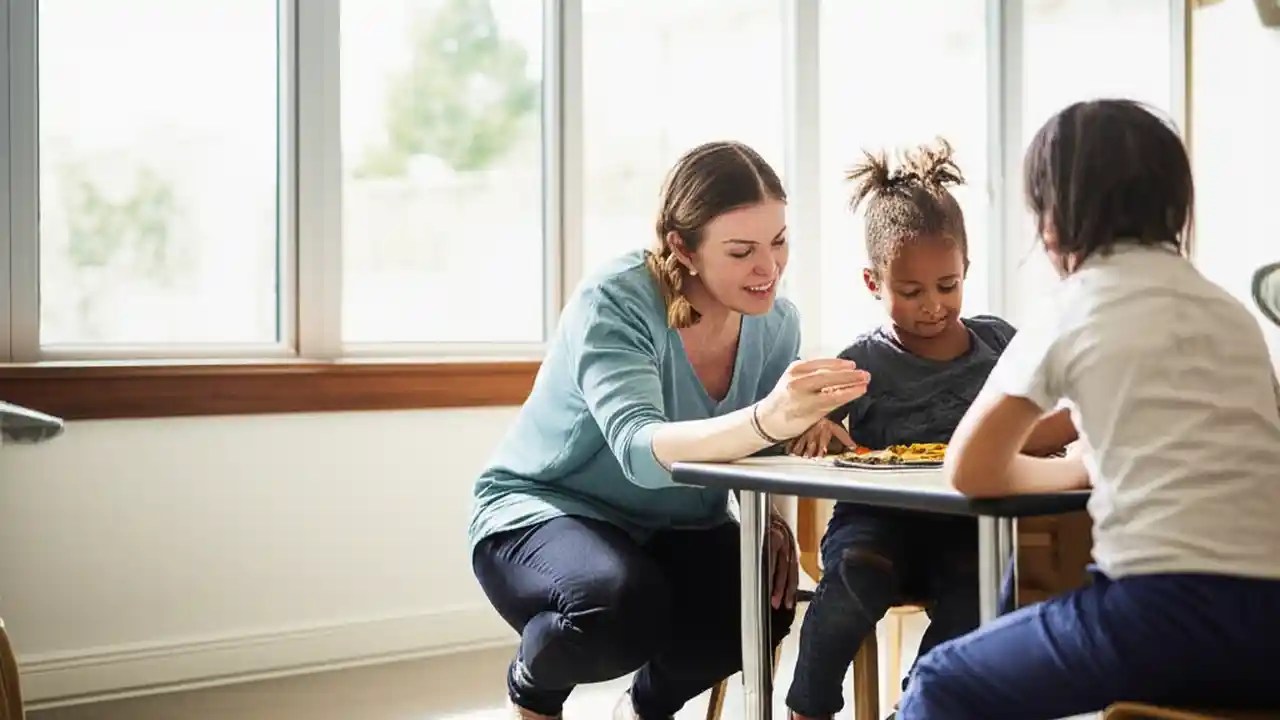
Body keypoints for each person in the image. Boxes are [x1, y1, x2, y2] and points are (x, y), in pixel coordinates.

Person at [898, 99, 1280, 719]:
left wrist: (1078, 470)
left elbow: (972, 467)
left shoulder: (1074, 303)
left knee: (943, 681)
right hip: (1270, 625)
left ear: (1053, 222)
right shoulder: (1227, 311)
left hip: (1163, 614)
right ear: (1174, 207)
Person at [468, 140, 871, 720]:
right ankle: (532, 688)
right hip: (545, 510)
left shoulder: (776, 323)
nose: (769, 268)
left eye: (779, 242)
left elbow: (756, 445)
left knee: (764, 602)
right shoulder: (618, 299)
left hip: (677, 522)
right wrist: (768, 418)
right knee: (617, 604)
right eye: (741, 251)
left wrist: (772, 517)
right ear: (683, 247)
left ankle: (643, 708)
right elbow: (638, 449)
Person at [782, 139, 1075, 720]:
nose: (933, 306)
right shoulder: (859, 362)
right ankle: (808, 708)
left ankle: (920, 705)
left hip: (966, 529)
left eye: (948, 286)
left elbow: (1053, 414)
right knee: (853, 581)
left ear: (966, 269)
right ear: (873, 283)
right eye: (910, 292)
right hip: (876, 527)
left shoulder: (999, 345)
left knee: (987, 589)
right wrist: (814, 424)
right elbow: (802, 426)